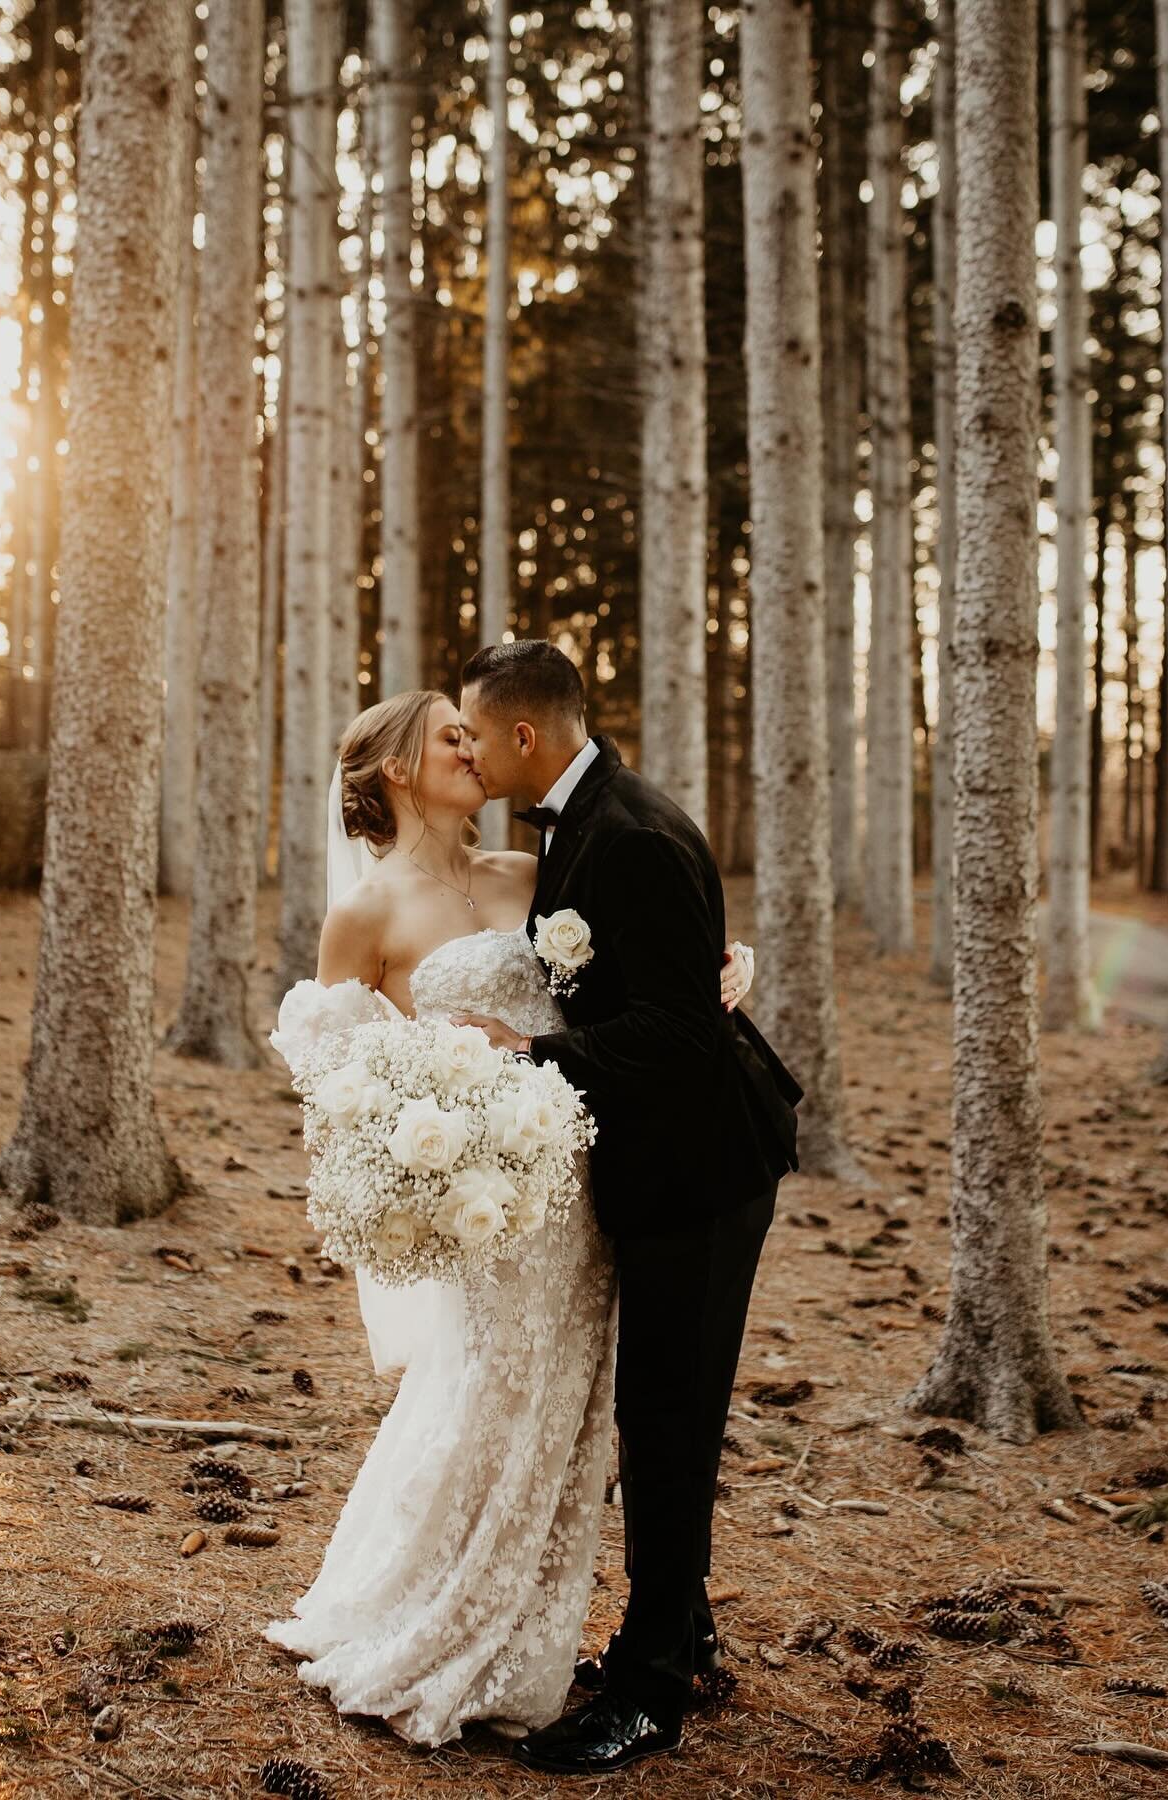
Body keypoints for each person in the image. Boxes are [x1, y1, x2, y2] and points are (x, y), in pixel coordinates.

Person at [263, 685, 750, 1749]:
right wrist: (431, 1140)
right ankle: (449, 1616)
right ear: (396, 766)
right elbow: (339, 1078)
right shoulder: (368, 911)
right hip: (486, 1198)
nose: (472, 750)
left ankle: (548, 1623)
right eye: (450, 737)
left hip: (588, 1186)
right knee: (498, 1385)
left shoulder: (531, 876)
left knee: (579, 1402)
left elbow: (636, 967)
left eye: (470, 733)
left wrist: (726, 961)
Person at [454, 640, 803, 1775]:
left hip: (703, 1169)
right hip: (653, 1156)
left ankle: (651, 1689)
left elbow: (676, 1030)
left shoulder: (633, 834)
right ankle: (682, 1626)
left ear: (523, 736)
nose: (464, 745)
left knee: (668, 1420)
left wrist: (528, 1056)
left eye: (473, 728)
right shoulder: (582, 819)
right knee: (656, 1410)